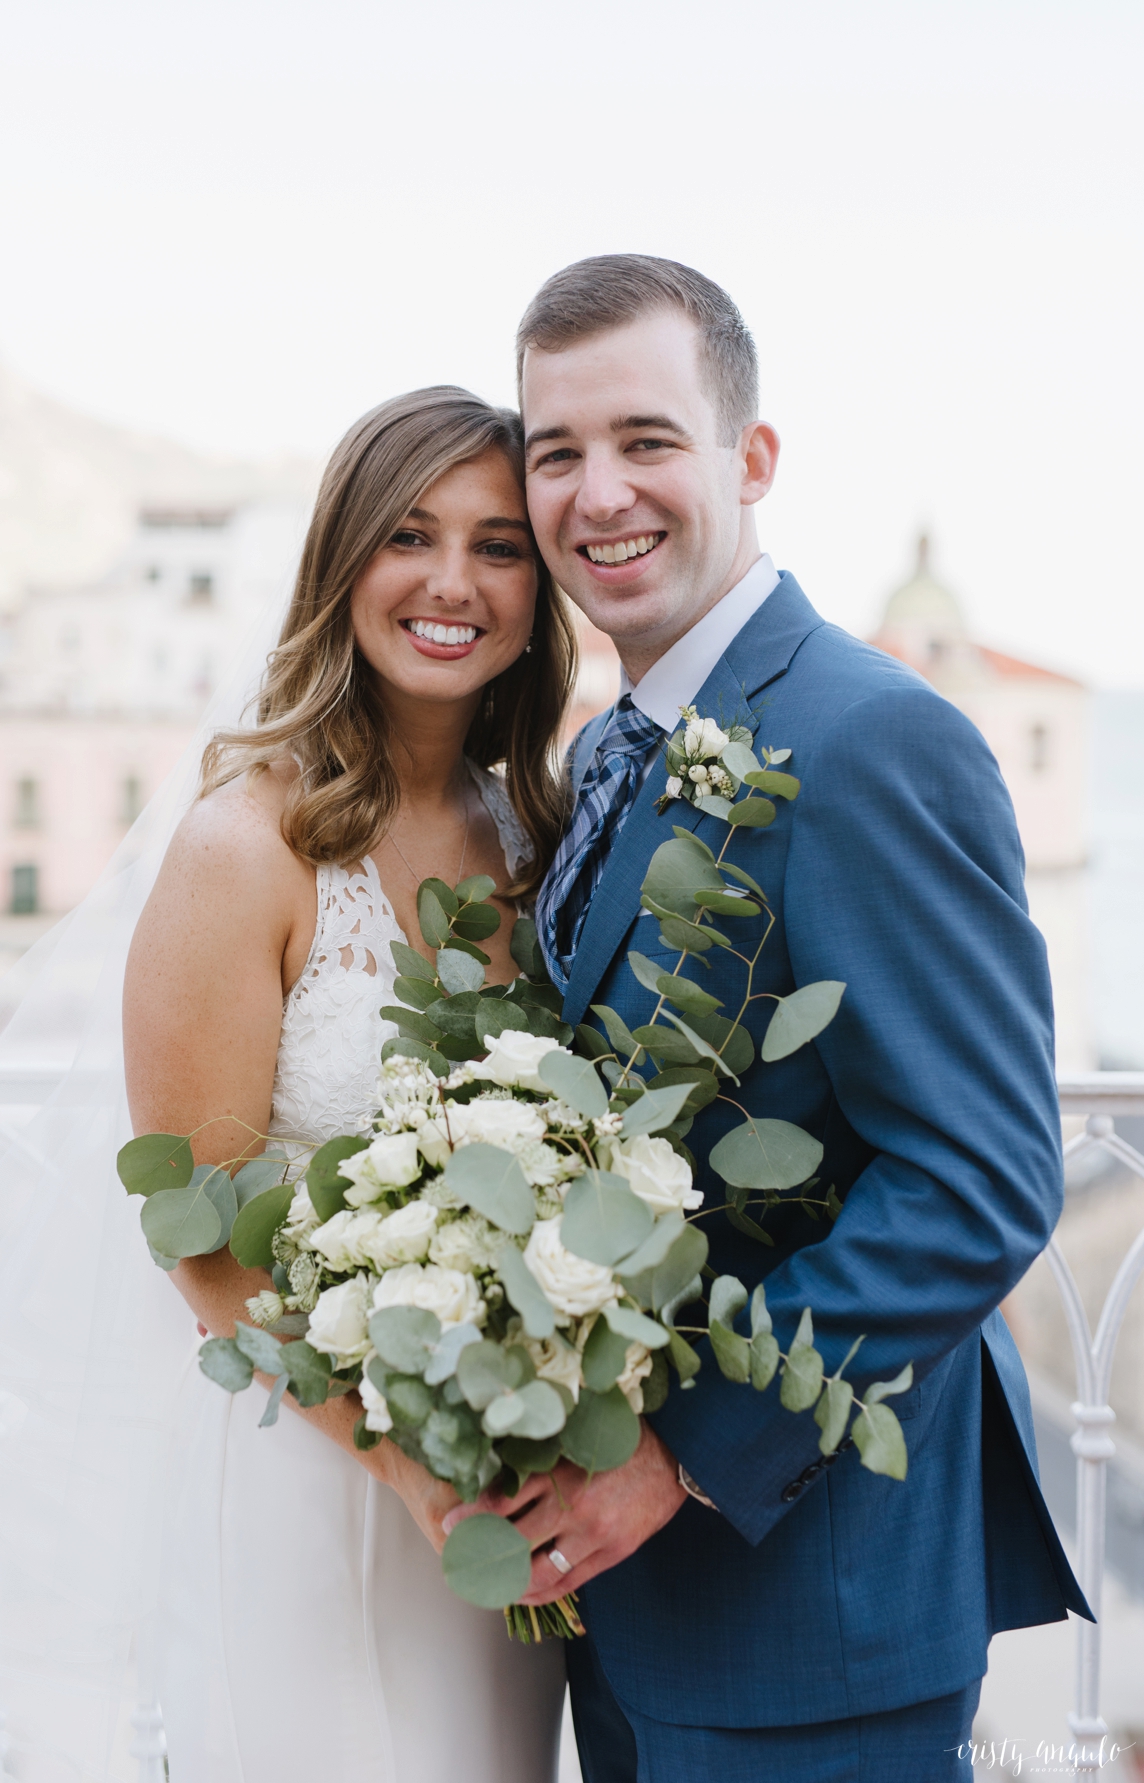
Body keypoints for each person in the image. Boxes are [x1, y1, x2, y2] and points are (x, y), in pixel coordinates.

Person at [451, 256, 1090, 1782]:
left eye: (647, 440)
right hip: (639, 1596)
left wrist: (682, 1457)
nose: (599, 492)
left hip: (811, 1598)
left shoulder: (872, 738)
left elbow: (981, 1177)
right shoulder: (619, 738)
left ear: (751, 460)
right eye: (558, 452)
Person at [122, 386, 575, 1780]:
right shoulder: (241, 847)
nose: (453, 582)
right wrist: (401, 1459)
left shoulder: (542, 838)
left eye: (500, 545)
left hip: (508, 1474)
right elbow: (199, 1237)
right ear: (342, 564)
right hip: (314, 1476)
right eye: (409, 536)